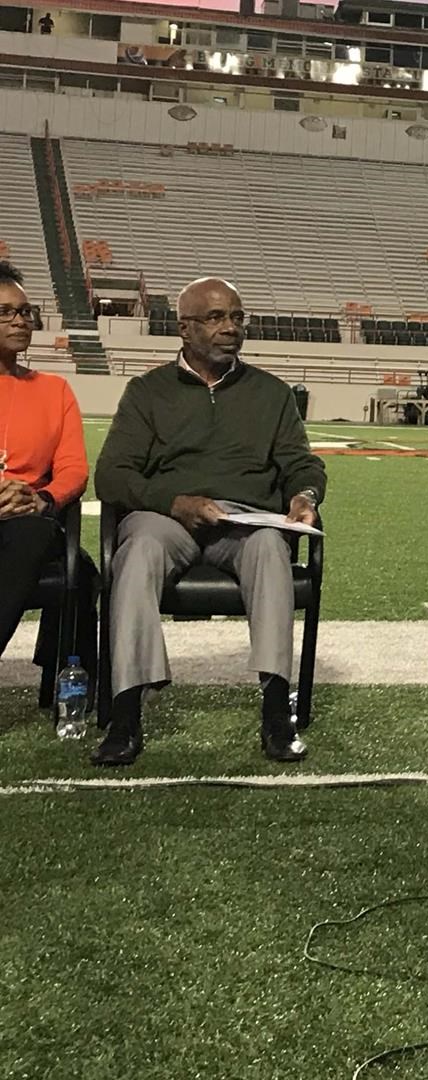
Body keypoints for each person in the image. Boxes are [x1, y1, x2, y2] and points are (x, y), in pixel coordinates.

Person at [91, 278, 324, 765]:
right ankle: (126, 711)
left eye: (237, 317)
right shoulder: (147, 391)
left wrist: (304, 495)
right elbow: (112, 475)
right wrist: (174, 502)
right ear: (184, 328)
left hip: (243, 522)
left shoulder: (272, 394)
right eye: (216, 317)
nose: (230, 328)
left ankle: (276, 709)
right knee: (138, 551)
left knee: (270, 547)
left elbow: (301, 464)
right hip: (166, 518)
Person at [0, 262, 87, 662]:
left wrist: (42, 499)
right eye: (5, 312)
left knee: (35, 534)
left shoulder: (55, 390)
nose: (20, 321)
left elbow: (74, 468)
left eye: (25, 311)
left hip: (28, 518)